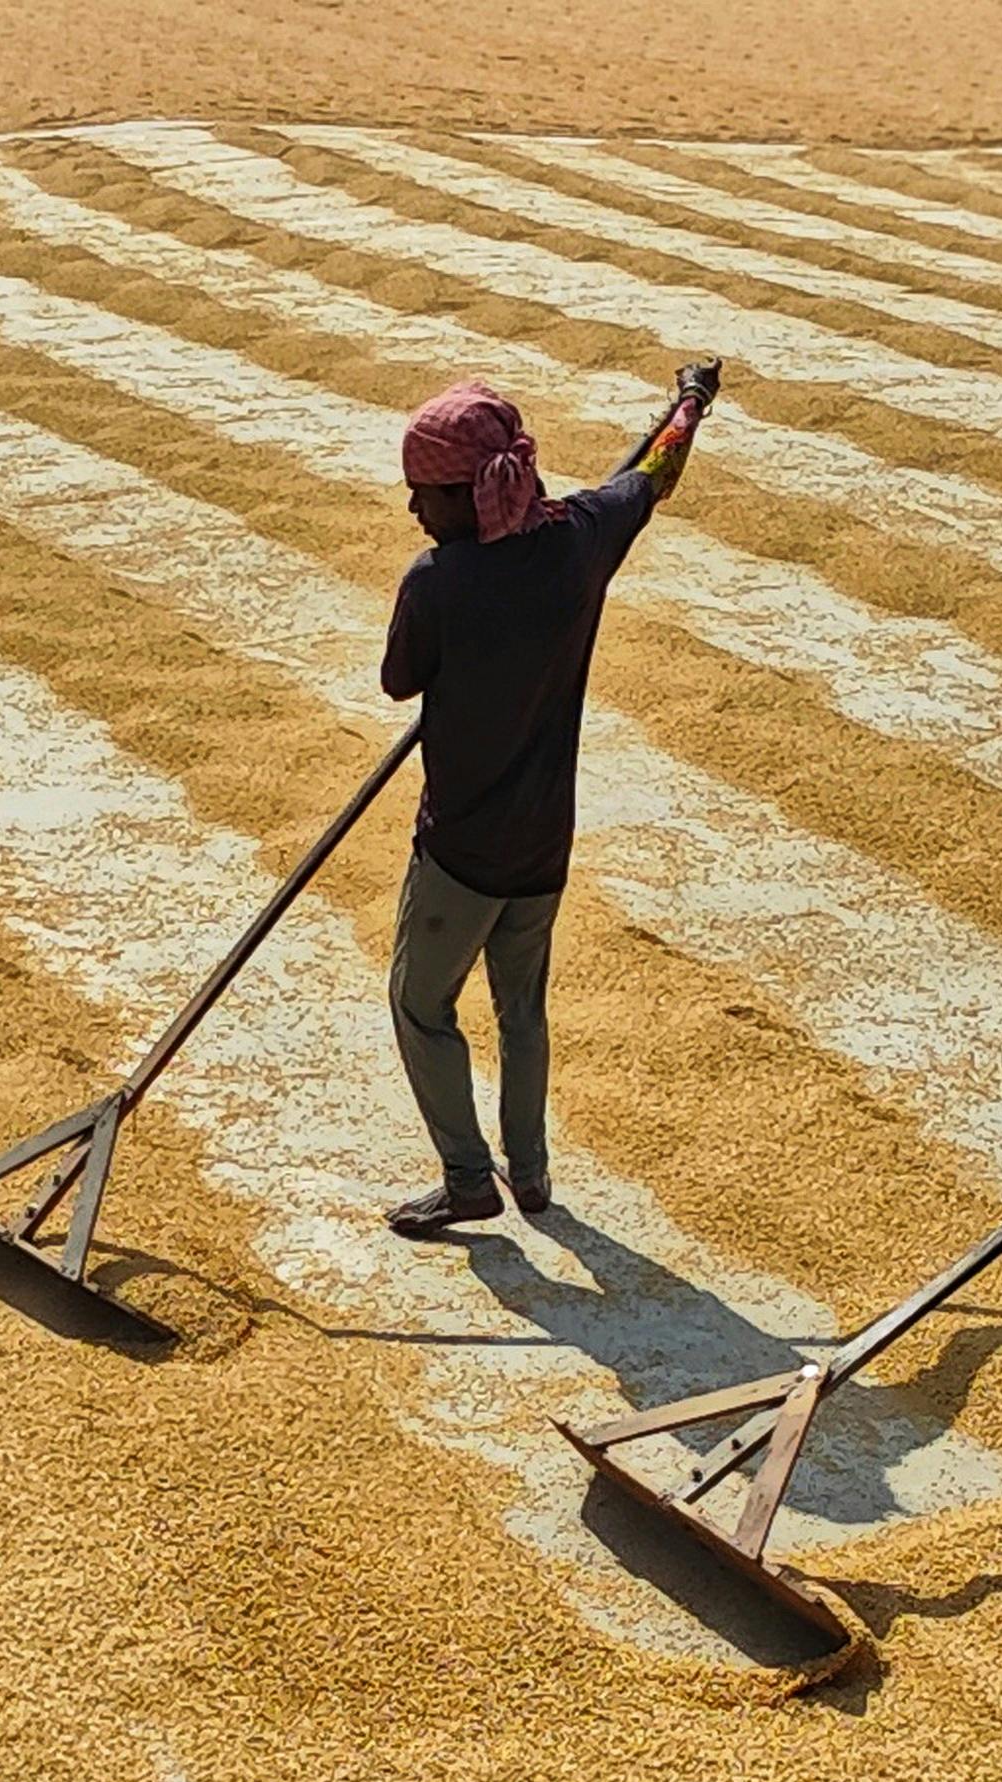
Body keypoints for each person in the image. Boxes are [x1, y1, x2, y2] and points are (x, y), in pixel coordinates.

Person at [374, 362, 723, 1242]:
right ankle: (528, 1176)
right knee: (520, 1009)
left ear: (468, 491)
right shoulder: (579, 538)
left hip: (460, 850)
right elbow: (651, 473)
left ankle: (466, 1179)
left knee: (421, 1006)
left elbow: (397, 681)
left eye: (426, 494)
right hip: (544, 844)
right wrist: (692, 399)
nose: (416, 511)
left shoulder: (436, 582)